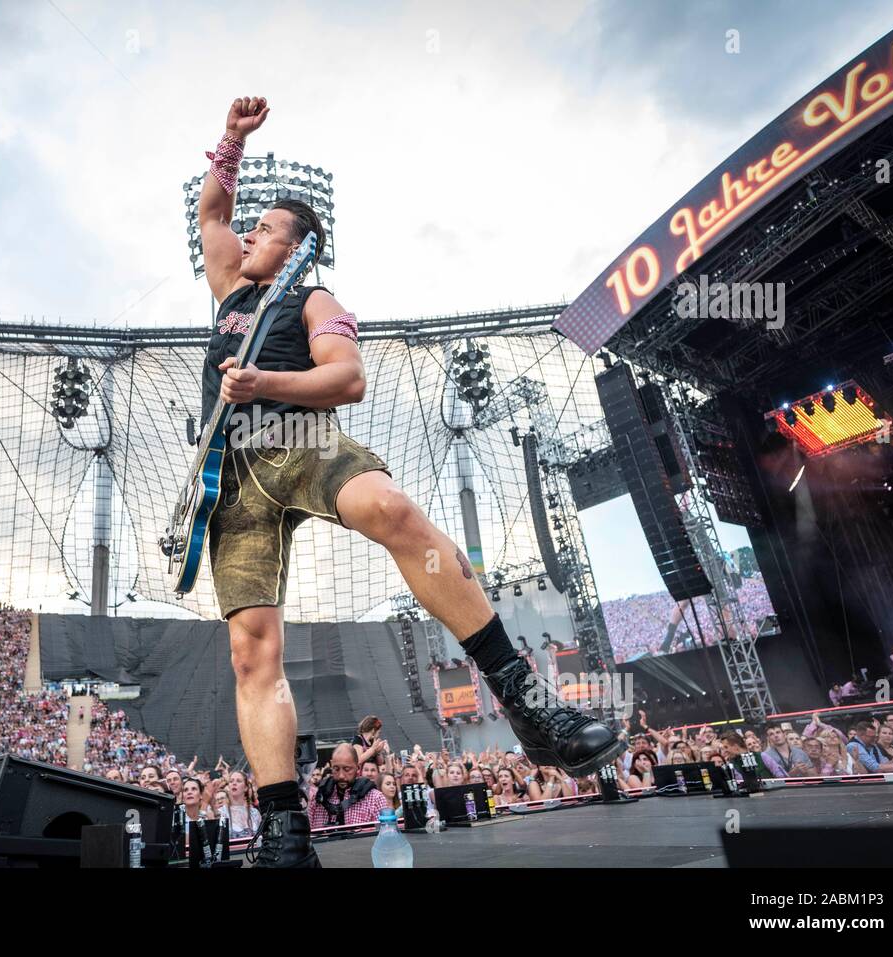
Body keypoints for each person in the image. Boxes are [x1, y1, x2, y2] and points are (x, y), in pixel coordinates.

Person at [194, 96, 621, 867]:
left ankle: (528, 704)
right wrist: (231, 140)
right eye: (251, 228)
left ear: (297, 251)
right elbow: (213, 211)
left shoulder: (314, 299)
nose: (250, 234)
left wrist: (262, 383)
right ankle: (286, 834)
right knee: (252, 652)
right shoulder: (229, 290)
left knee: (388, 505)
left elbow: (348, 379)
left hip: (300, 439)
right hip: (230, 478)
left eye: (267, 231)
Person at [307, 744, 389, 829]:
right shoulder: (318, 798)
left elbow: (385, 835)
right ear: (331, 765)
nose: (341, 776)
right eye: (336, 769)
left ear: (358, 768)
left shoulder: (375, 799)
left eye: (347, 769)